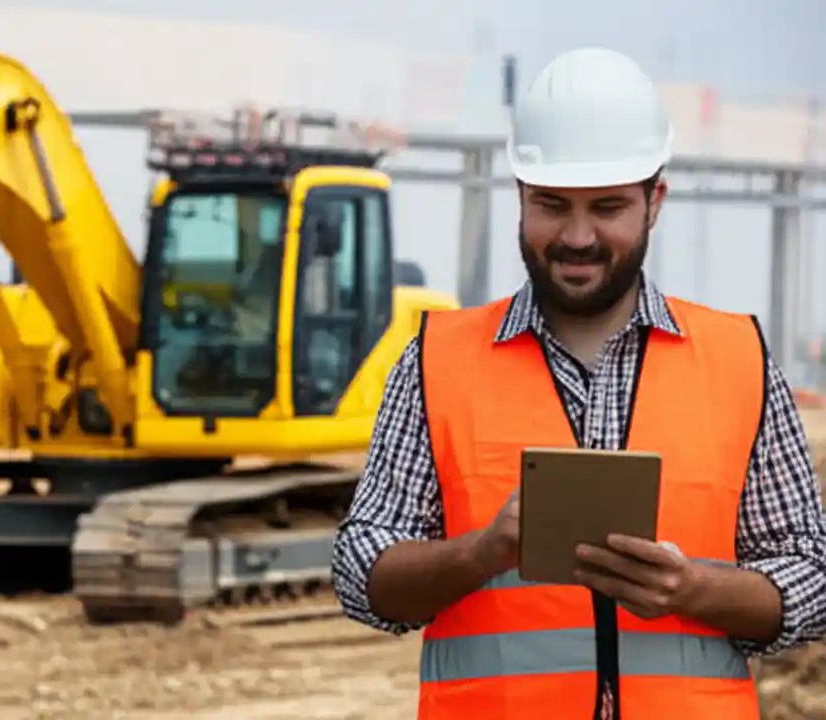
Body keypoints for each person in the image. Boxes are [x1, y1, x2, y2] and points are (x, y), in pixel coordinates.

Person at [331, 46, 826, 720]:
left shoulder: (739, 358)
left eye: (608, 207)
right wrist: (484, 552)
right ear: (521, 197)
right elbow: (363, 577)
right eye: (553, 205)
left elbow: (811, 581)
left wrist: (692, 588)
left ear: (655, 201)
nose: (578, 235)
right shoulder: (435, 361)